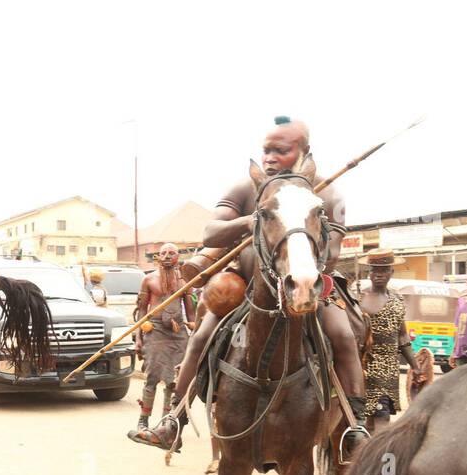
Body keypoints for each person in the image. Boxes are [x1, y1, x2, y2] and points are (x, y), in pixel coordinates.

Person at [152, 117, 367, 453]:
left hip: (306, 282)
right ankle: (173, 420)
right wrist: (259, 217)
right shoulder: (245, 188)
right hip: (247, 286)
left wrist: (299, 259)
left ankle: (355, 426)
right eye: (266, 150)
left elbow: (334, 251)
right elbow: (211, 233)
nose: (269, 158)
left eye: (280, 151)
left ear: (303, 151)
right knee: (202, 337)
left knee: (343, 335)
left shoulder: (327, 191)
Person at [128, 243, 193, 443]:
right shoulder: (149, 279)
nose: (166, 256)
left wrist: (195, 329)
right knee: (153, 377)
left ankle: (166, 422)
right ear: (158, 256)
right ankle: (143, 421)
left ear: (177, 257)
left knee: (174, 380)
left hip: (177, 332)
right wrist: (139, 337)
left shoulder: (185, 281)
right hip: (154, 331)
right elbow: (141, 311)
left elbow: (191, 313)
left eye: (171, 253)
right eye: (163, 252)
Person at [357, 252, 426, 433]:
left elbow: (402, 337)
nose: (379, 274)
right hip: (363, 366)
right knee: (368, 417)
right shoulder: (358, 299)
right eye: (374, 270)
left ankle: (377, 455)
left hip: (388, 367)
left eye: (384, 270)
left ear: (391, 272)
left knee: (382, 414)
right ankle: (373, 454)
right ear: (369, 273)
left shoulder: (397, 300)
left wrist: (415, 366)